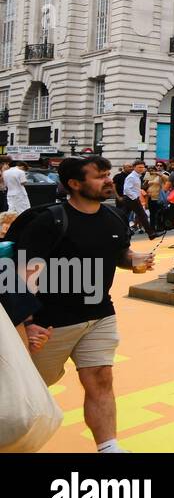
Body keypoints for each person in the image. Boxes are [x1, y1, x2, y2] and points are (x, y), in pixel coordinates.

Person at [10, 155, 152, 453]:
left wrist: (133, 261)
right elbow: (20, 275)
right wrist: (26, 323)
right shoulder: (49, 222)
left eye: (108, 174)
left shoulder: (113, 218)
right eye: (99, 176)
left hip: (99, 314)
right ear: (74, 184)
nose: (108, 180)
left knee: (100, 378)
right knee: (24, 391)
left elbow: (119, 255)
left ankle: (109, 446)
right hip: (49, 324)